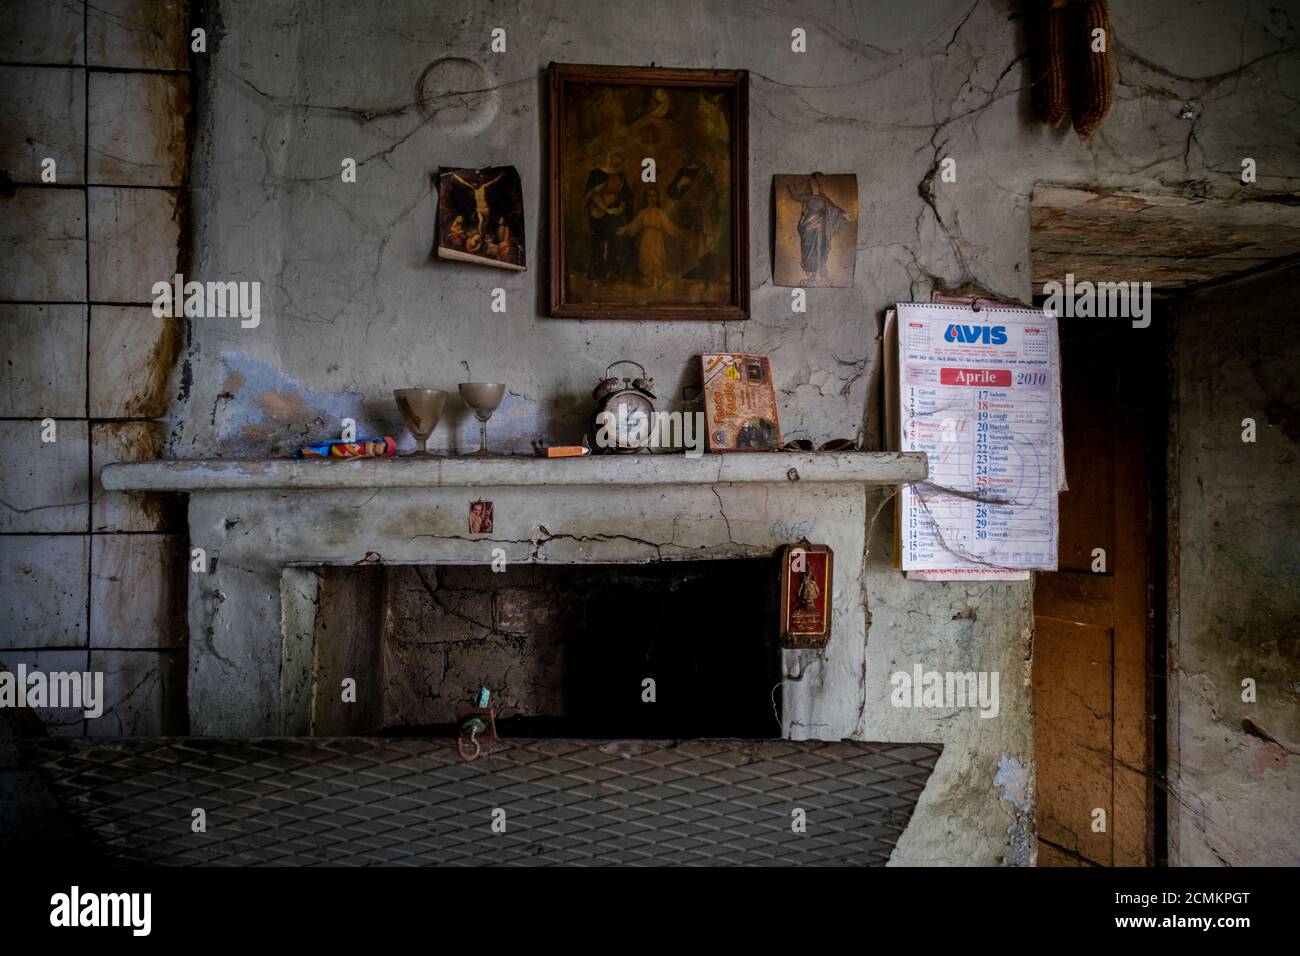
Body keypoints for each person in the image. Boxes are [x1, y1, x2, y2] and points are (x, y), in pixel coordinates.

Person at [787, 173, 847, 284]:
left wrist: (843, 214)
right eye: (811, 183)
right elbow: (795, 197)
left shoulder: (823, 199)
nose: (813, 185)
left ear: (818, 185)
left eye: (815, 183)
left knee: (820, 248)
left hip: (820, 225)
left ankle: (821, 273)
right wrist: (790, 187)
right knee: (809, 248)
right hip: (808, 227)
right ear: (810, 186)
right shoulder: (808, 197)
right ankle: (813, 273)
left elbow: (834, 208)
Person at [583, 146, 633, 279]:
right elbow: (593, 196)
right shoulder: (596, 173)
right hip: (599, 215)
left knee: (615, 242)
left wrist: (620, 209)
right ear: (611, 156)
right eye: (617, 156)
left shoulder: (621, 176)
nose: (619, 159)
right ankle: (598, 271)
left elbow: (625, 196)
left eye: (622, 157)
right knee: (598, 243)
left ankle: (612, 271)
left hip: (615, 215)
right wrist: (607, 209)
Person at [617, 186, 681, 287]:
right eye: (649, 196)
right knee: (646, 261)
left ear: (657, 198)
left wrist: (679, 232)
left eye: (654, 196)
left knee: (658, 260)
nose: (651, 198)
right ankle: (649, 282)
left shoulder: (660, 213)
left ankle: (657, 282)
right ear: (646, 198)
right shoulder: (643, 213)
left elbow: (669, 226)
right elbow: (634, 224)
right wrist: (624, 229)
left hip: (657, 240)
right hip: (646, 240)